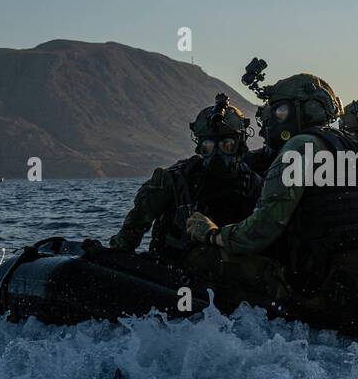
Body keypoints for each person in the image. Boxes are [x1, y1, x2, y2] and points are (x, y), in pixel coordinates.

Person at [183, 73, 358, 330]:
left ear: (300, 111)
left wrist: (212, 234)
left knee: (201, 256)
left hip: (316, 290)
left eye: (279, 111)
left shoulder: (300, 148)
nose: (274, 119)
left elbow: (261, 231)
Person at [108, 95, 261, 276]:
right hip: (172, 271)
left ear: (240, 145)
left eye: (227, 145)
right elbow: (133, 228)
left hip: (226, 276)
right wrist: (114, 257)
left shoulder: (255, 186)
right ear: (200, 147)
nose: (218, 154)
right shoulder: (177, 179)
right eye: (209, 147)